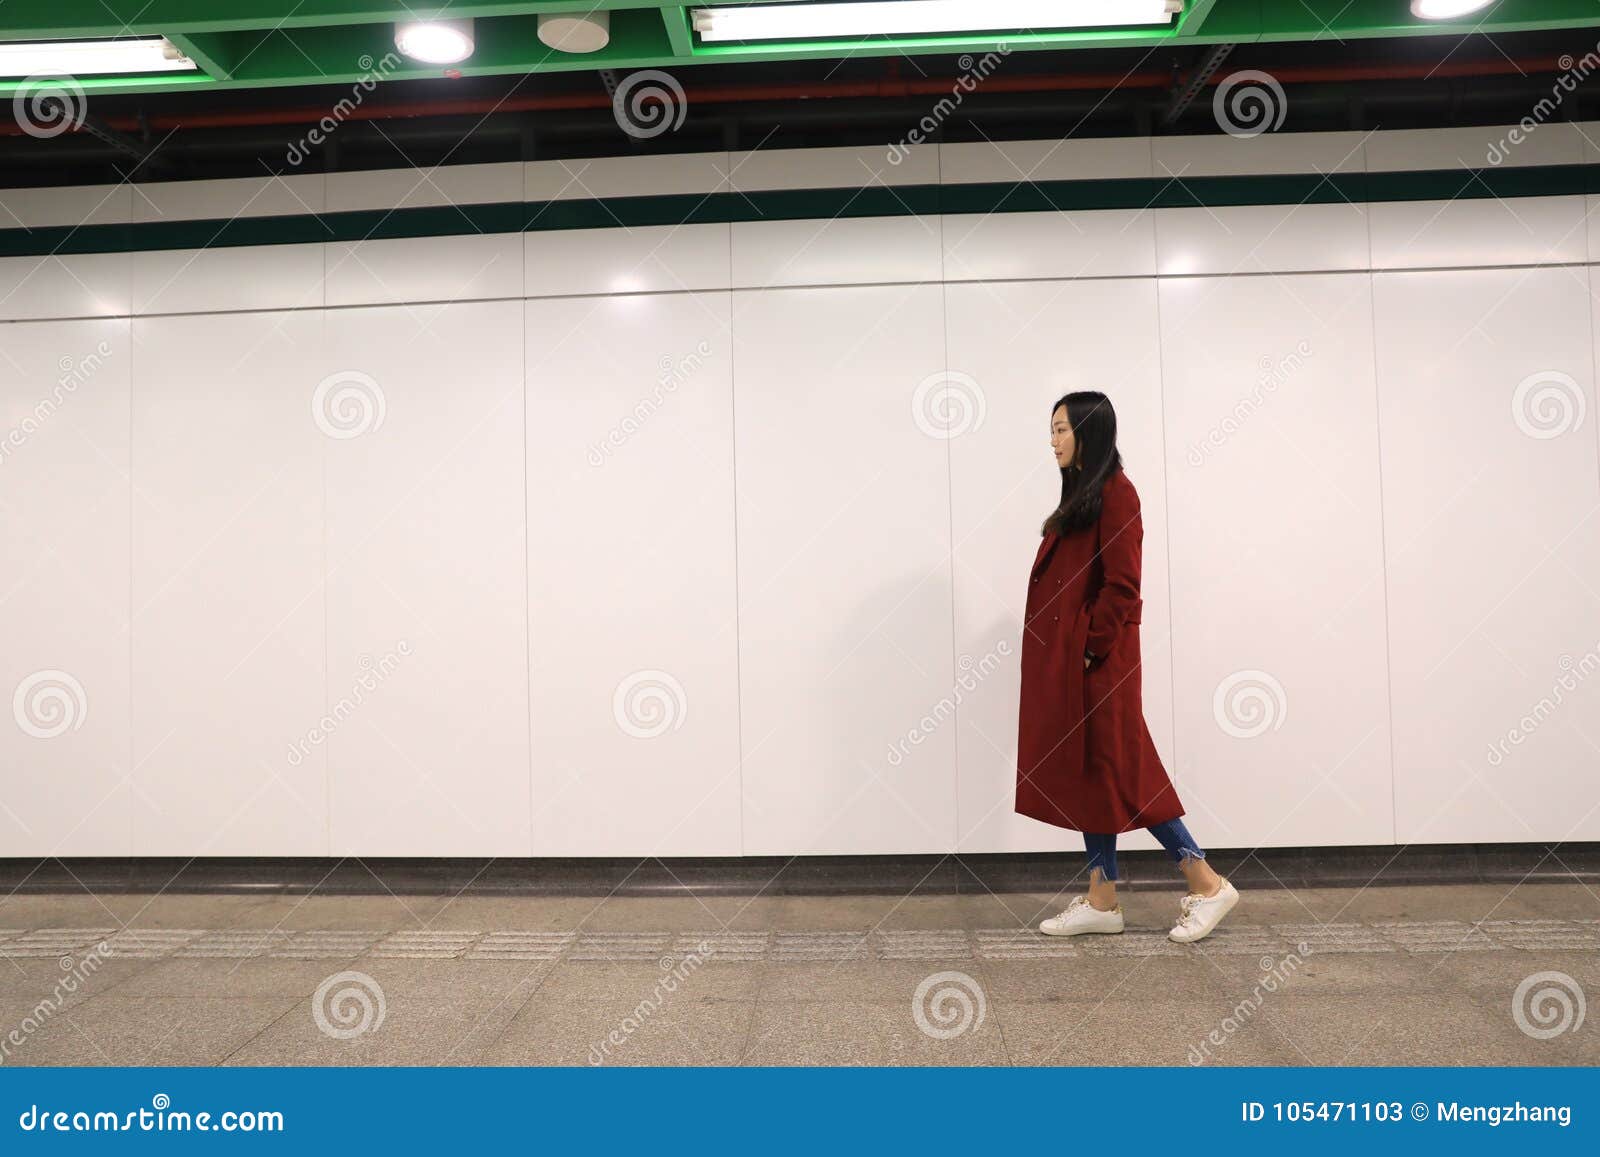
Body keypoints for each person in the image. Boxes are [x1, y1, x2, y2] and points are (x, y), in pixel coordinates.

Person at [1014, 390, 1239, 944]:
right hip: (1078, 665)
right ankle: (1102, 897)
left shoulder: (1118, 494)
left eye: (1061, 430)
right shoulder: (1084, 496)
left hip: (1101, 666)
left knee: (1125, 768)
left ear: (1089, 431)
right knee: (1093, 770)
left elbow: (1123, 586)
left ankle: (1206, 882)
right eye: (1051, 430)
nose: (1053, 441)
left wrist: (1090, 649)